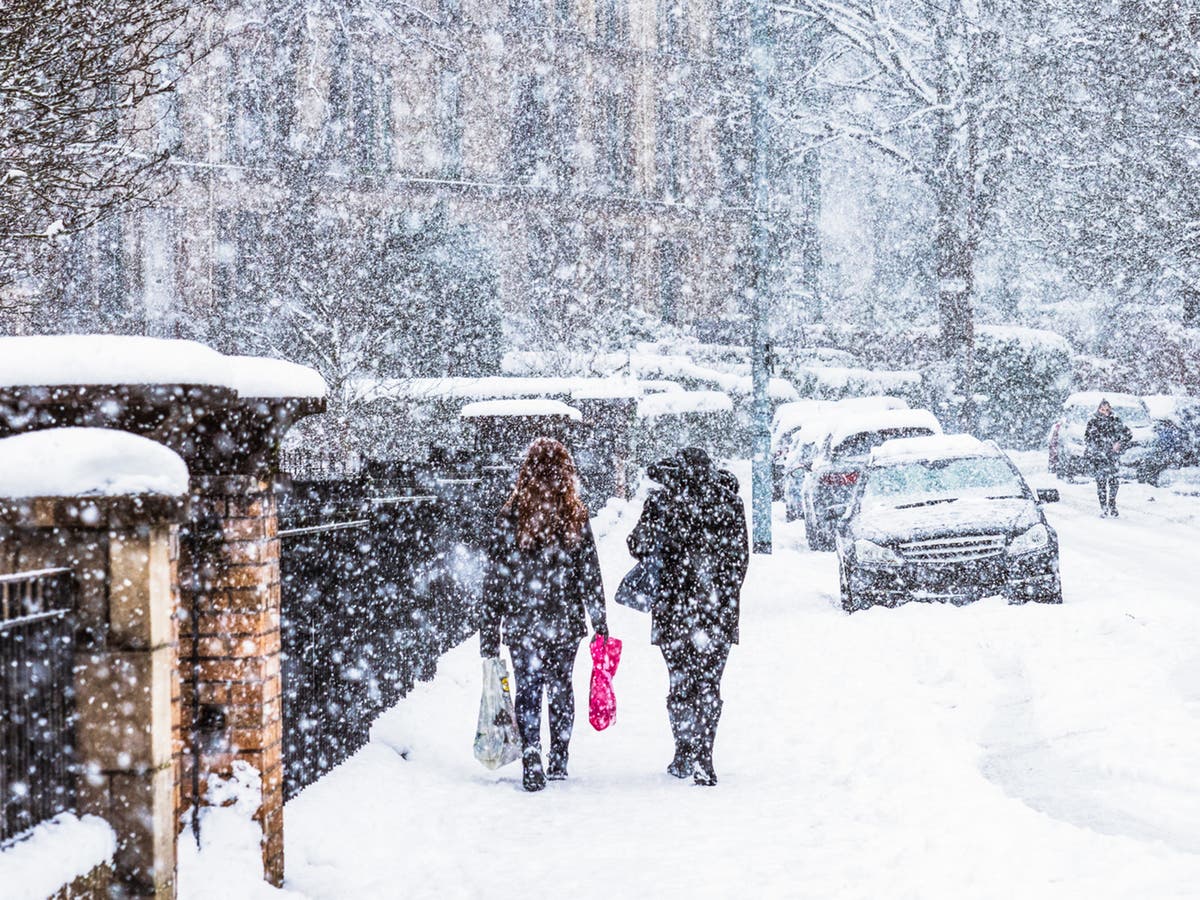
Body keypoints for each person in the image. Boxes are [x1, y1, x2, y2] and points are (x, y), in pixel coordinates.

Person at [478, 438, 608, 792]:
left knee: (528, 688)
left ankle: (532, 752)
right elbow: (589, 572)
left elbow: (495, 578)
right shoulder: (575, 515)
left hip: (523, 620)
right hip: (564, 620)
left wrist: (489, 631)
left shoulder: (511, 515)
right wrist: (600, 622)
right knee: (561, 686)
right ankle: (559, 755)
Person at [627, 447, 749, 786]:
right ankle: (704, 756)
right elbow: (740, 561)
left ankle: (683, 751)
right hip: (716, 611)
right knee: (709, 683)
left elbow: (637, 546)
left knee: (680, 681)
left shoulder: (662, 503)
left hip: (673, 609)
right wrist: (722, 595)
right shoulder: (729, 503)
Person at [1085, 399, 1133, 517]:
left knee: (1114, 482)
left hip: (1112, 456)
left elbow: (1128, 434)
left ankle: (1112, 504)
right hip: (1099, 456)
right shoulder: (1093, 421)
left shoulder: (1116, 420)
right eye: (1102, 410)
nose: (1105, 412)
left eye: (1107, 409)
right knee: (1101, 482)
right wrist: (1095, 448)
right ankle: (1103, 507)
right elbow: (1087, 438)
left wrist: (1119, 444)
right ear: (1098, 409)